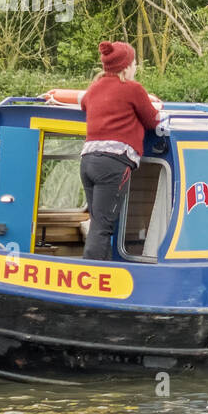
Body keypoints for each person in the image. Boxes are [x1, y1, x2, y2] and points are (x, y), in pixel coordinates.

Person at [79, 41, 164, 260]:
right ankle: (90, 279)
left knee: (98, 222)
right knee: (103, 227)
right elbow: (153, 120)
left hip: (88, 161)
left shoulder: (94, 88)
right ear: (126, 66)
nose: (136, 66)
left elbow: (85, 104)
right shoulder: (132, 89)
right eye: (134, 62)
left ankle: (104, 276)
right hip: (113, 163)